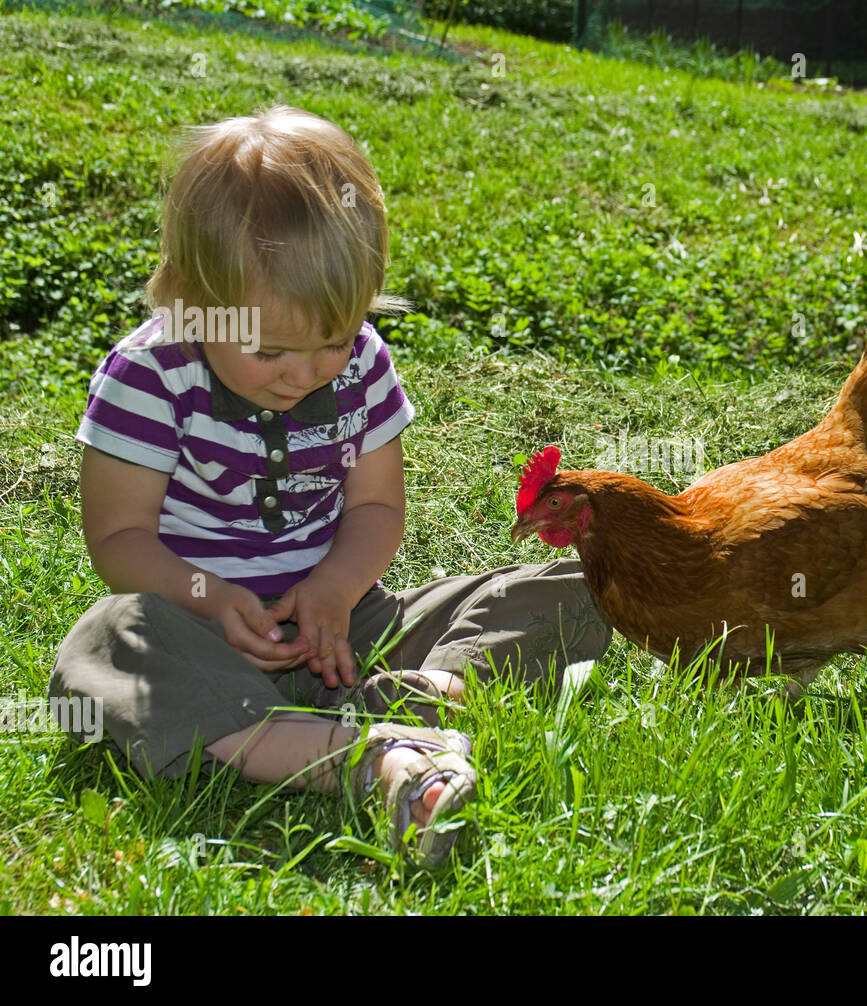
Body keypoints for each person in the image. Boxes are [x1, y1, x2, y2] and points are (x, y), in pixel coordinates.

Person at [48, 105, 611, 868]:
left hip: (347, 625)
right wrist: (211, 597)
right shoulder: (149, 377)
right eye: (272, 349)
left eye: (335, 339)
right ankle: (376, 752)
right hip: (203, 629)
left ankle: (398, 695)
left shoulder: (363, 365)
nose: (307, 371)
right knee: (111, 640)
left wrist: (336, 589)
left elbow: (377, 507)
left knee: (568, 586)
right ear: (195, 300)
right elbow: (118, 539)